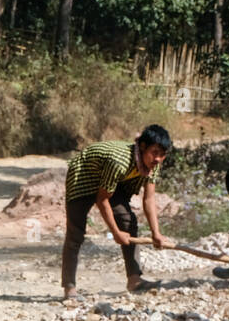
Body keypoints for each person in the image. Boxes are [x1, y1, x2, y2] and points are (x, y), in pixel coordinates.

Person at [60, 125, 172, 299]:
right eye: (154, 152)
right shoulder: (118, 162)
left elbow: (149, 199)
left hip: (111, 181)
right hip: (83, 174)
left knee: (128, 222)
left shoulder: (153, 164)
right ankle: (69, 287)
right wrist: (116, 233)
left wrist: (156, 233)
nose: (158, 158)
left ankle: (135, 279)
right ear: (142, 147)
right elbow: (102, 200)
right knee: (76, 233)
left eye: (162, 154)